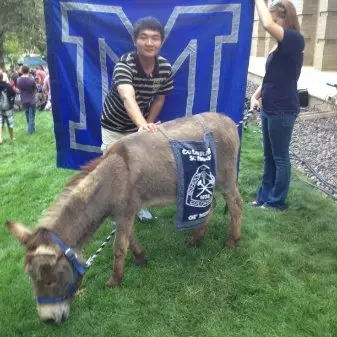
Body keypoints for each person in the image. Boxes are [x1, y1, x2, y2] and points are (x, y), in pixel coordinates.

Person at [101, 17, 173, 221]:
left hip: (140, 124)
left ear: (161, 42)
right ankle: (117, 216)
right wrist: (142, 125)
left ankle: (139, 205)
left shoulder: (165, 68)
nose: (149, 43)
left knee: (140, 168)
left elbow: (160, 99)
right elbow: (127, 96)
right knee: (114, 170)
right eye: (144, 37)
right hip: (113, 125)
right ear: (135, 41)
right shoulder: (124, 64)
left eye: (155, 38)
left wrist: (147, 124)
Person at [249, 0, 305, 211]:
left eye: (274, 19)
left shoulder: (294, 39)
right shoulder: (281, 45)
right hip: (269, 106)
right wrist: (255, 96)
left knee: (280, 157)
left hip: (283, 108)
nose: (271, 22)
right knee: (268, 156)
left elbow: (266, 25)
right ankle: (263, 197)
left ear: (284, 19)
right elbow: (272, 77)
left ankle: (276, 202)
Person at [17, 65, 37, 134]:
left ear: (22, 71)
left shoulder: (19, 80)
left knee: (28, 116)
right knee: (31, 116)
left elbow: (19, 89)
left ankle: (31, 129)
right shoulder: (31, 79)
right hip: (32, 100)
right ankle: (30, 132)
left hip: (24, 100)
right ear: (28, 71)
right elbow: (35, 89)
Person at [0, 71, 16, 144]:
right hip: (8, 107)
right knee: (10, 123)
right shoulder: (8, 86)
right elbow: (13, 94)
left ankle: (0, 139)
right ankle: (12, 137)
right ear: (2, 77)